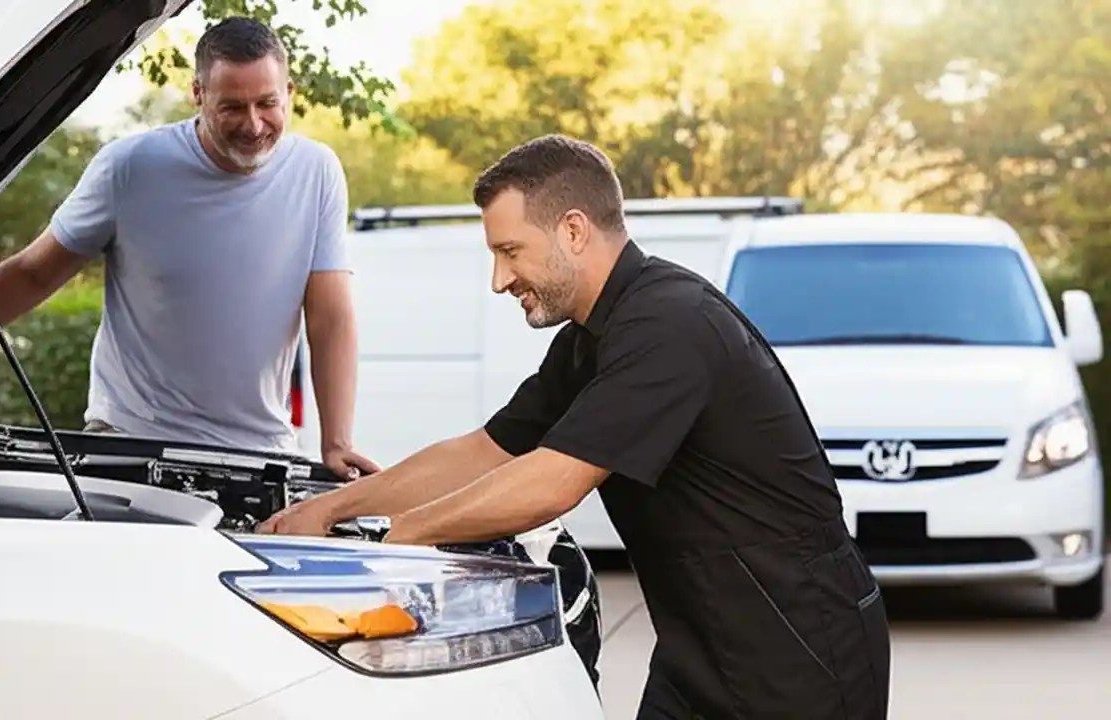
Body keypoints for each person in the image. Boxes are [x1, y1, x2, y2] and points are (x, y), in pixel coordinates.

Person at [259, 134, 892, 719]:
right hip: (700, 648)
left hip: (799, 648)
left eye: (511, 251)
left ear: (573, 230)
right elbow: (486, 451)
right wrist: (333, 510)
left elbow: (552, 482)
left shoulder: (671, 324)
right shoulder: (592, 338)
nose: (500, 279)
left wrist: (400, 539)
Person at [0, 17, 378, 479]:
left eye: (267, 103)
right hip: (133, 445)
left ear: (288, 91)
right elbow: (32, 275)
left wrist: (336, 442)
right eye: (232, 107)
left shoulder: (317, 172)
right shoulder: (131, 167)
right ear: (197, 94)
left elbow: (330, 318)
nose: (253, 124)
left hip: (260, 454)